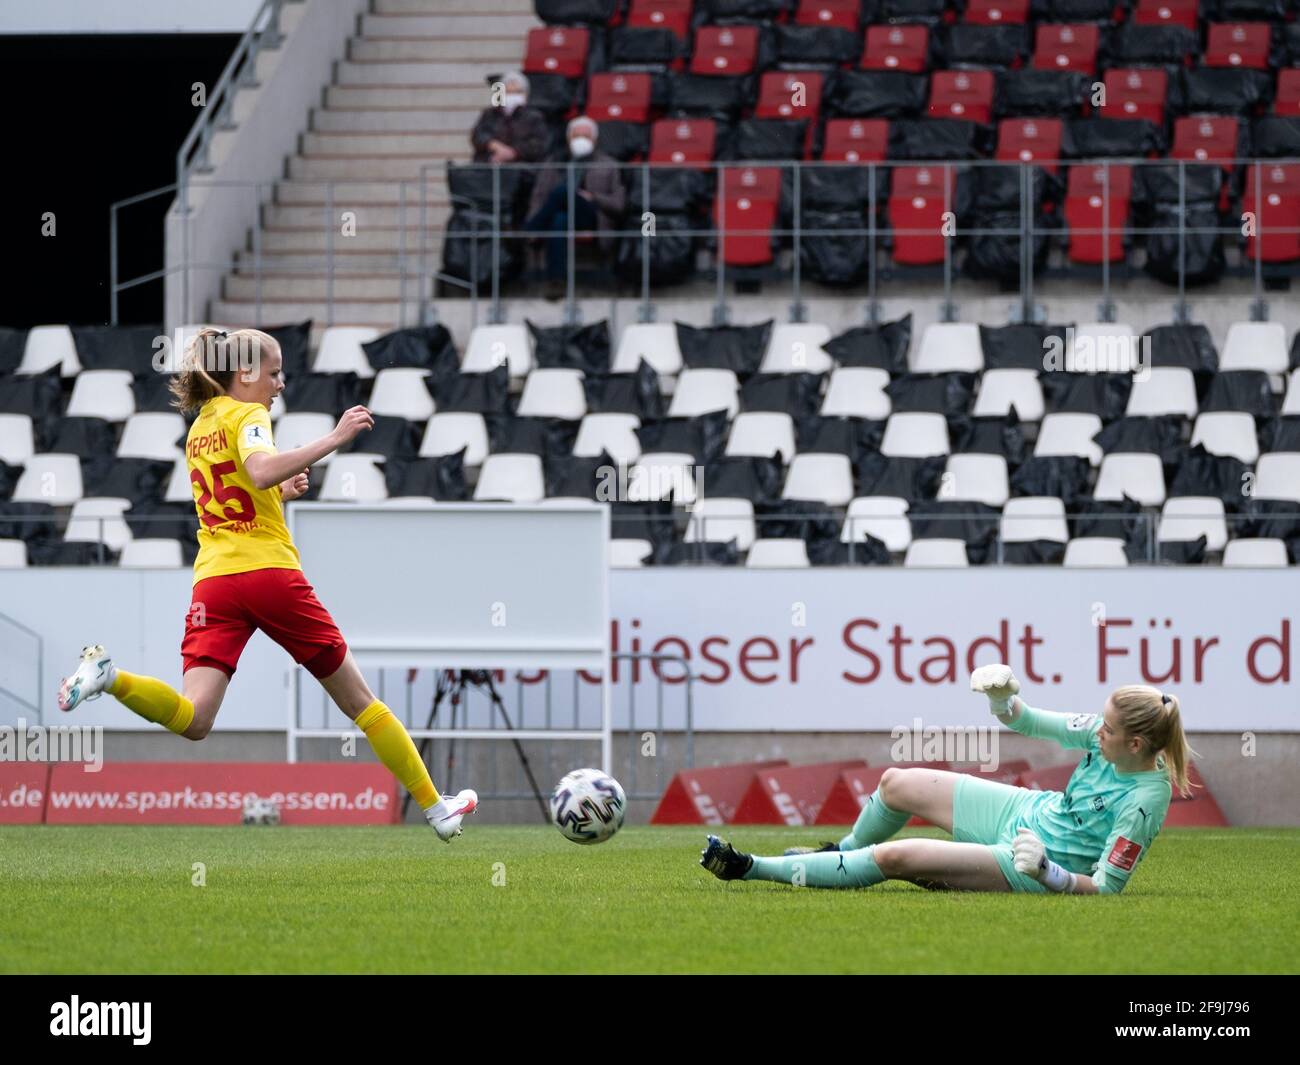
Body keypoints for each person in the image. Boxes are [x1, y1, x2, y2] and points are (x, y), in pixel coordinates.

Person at [56, 328, 478, 841]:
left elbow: (242, 496)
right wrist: (335, 438)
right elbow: (257, 472)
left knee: (194, 719)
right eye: (274, 371)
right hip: (268, 575)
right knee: (361, 702)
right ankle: (437, 808)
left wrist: (282, 493)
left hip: (215, 583)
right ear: (246, 373)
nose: (280, 383)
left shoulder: (200, 427)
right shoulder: (247, 413)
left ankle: (109, 676)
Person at [701, 664, 1192, 894]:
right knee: (895, 783)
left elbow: (1106, 890)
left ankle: (748, 867)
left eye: (1107, 729)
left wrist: (1049, 873)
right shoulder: (1101, 734)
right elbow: (1026, 720)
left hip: (1031, 865)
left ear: (1135, 745)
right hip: (1025, 813)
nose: (1096, 729)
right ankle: (838, 854)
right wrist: (1003, 698)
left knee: (897, 856)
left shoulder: (1147, 801)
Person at [523, 115, 626, 298]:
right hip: (560, 215)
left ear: (594, 140)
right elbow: (538, 196)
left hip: (593, 215)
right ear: (568, 138)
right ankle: (557, 281)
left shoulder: (609, 165)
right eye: (576, 136)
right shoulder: (555, 162)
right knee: (559, 221)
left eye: (585, 136)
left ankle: (530, 229)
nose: (580, 140)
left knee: (562, 191)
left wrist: (593, 197)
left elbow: (619, 204)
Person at [470, 71, 550, 165]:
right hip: (490, 168)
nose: (512, 96)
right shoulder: (490, 114)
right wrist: (494, 145)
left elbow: (539, 144)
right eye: (508, 92)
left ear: (525, 94)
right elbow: (478, 135)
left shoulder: (534, 117)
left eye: (517, 92)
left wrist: (514, 152)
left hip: (523, 171)